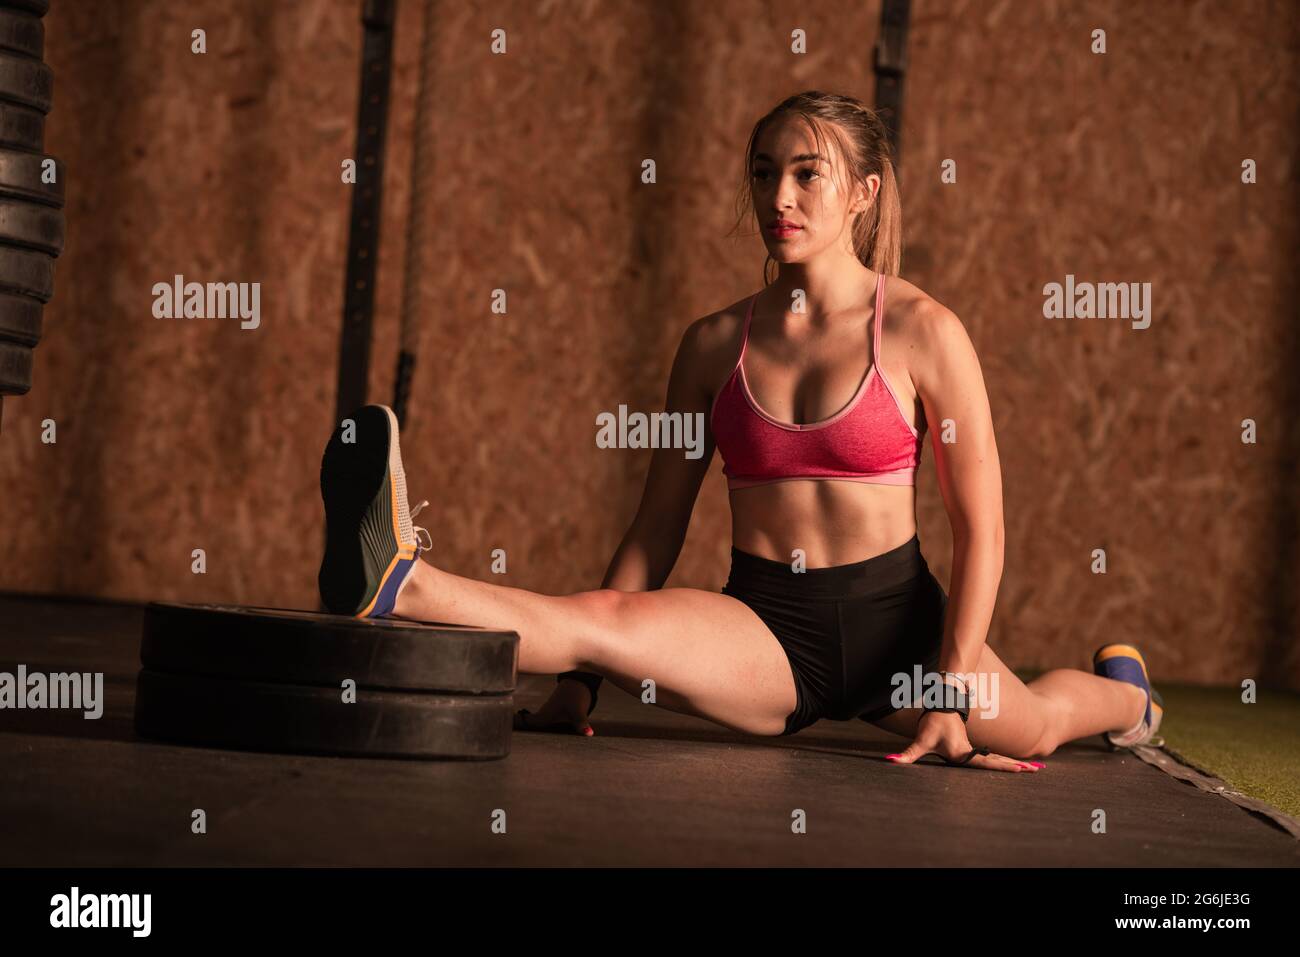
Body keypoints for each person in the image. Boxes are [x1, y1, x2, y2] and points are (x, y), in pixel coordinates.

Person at [316, 90, 1162, 773]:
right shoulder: (713, 345)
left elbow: (983, 529)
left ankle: (1130, 695)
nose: (779, 197)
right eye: (763, 174)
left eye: (805, 174)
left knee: (1042, 724)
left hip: (902, 633)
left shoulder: (922, 330)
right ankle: (402, 581)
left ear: (864, 191)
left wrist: (949, 683)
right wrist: (580, 685)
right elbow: (657, 525)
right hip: (766, 628)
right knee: (598, 616)